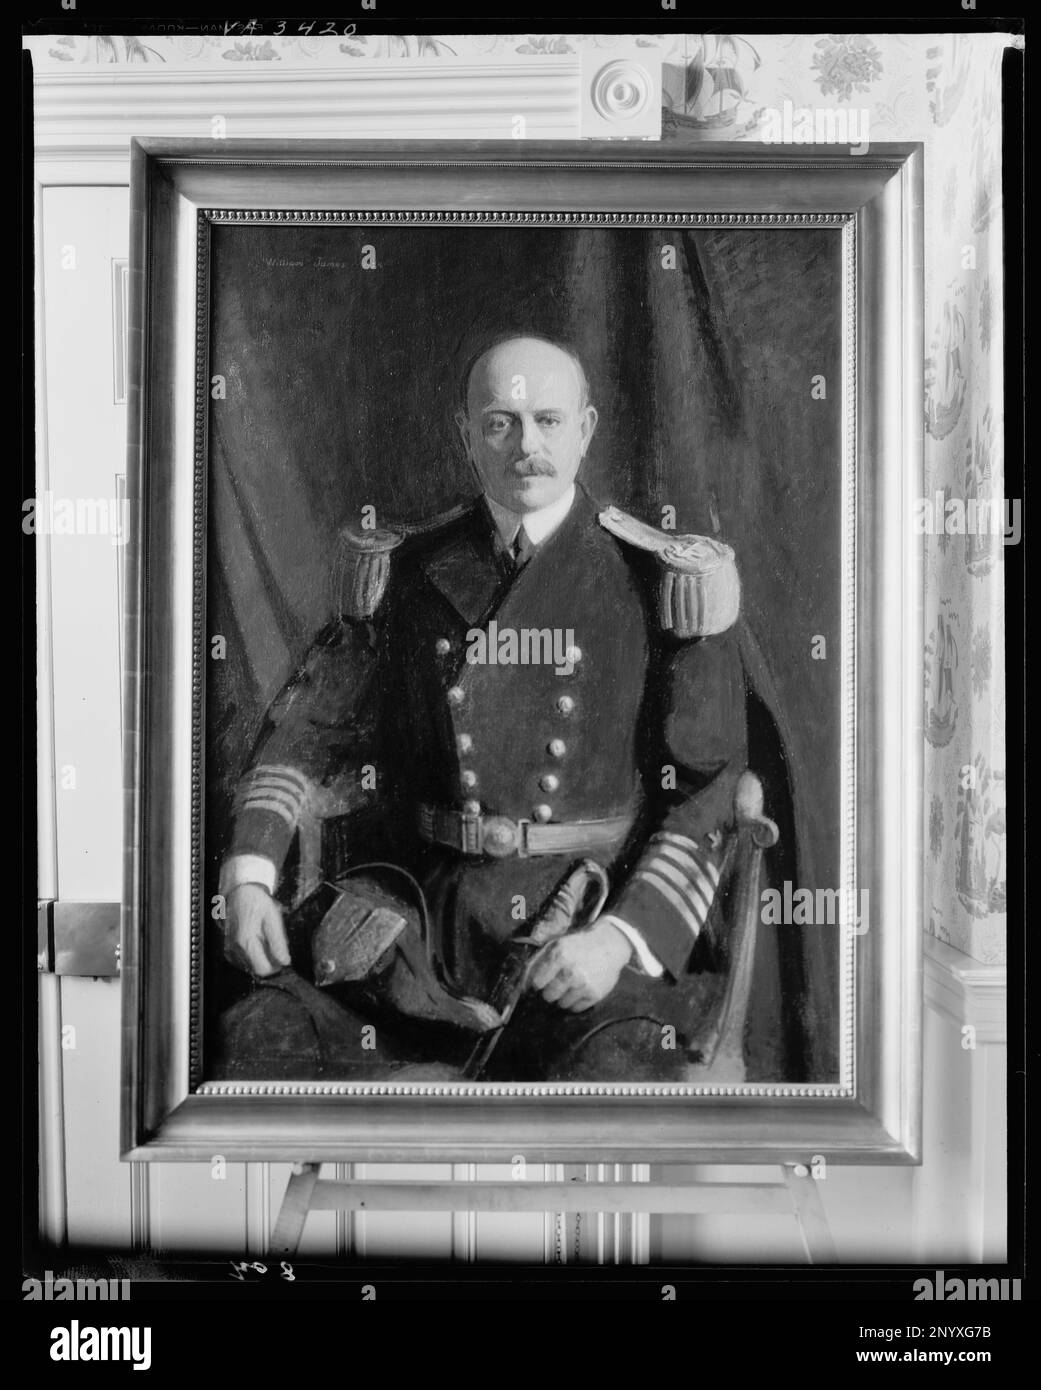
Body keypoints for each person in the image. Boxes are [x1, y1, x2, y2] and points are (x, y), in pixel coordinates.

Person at [216, 335, 747, 1081]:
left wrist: (621, 939)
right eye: (500, 421)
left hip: (588, 927)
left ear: (587, 428)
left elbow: (711, 788)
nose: (526, 445)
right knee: (260, 1033)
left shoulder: (655, 581)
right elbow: (305, 732)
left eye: (549, 421)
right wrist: (247, 879)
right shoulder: (406, 569)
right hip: (426, 926)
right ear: (465, 435)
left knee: (609, 1078)